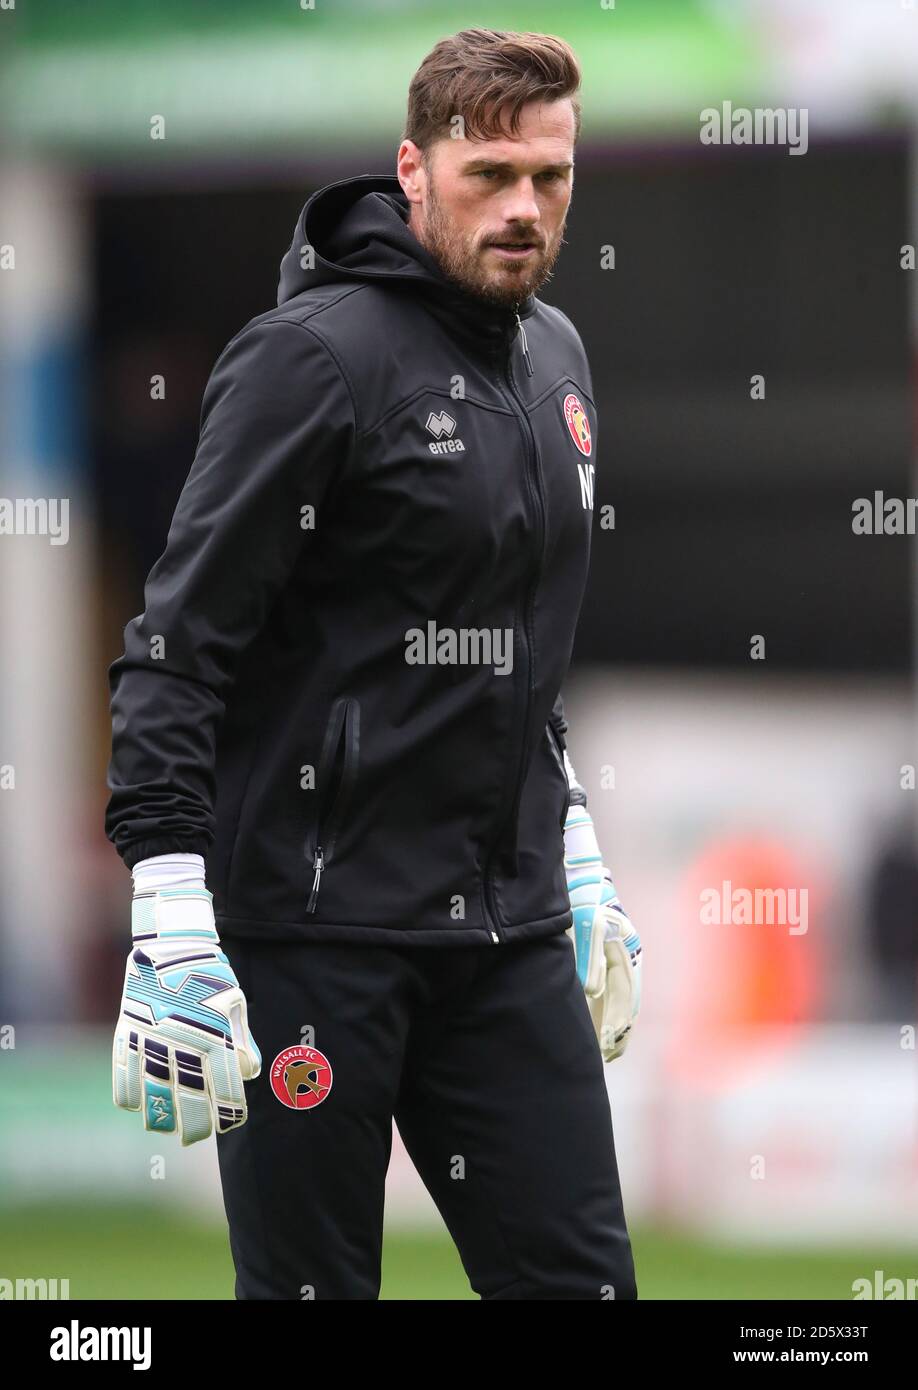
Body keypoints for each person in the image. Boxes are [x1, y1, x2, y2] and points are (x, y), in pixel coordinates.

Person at [105, 27, 642, 1301]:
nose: (524, 208)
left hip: (507, 934)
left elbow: (515, 657)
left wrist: (565, 837)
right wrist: (170, 898)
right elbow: (175, 649)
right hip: (310, 938)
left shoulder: (558, 361)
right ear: (414, 168)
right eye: (490, 174)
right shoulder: (313, 358)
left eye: (551, 179)